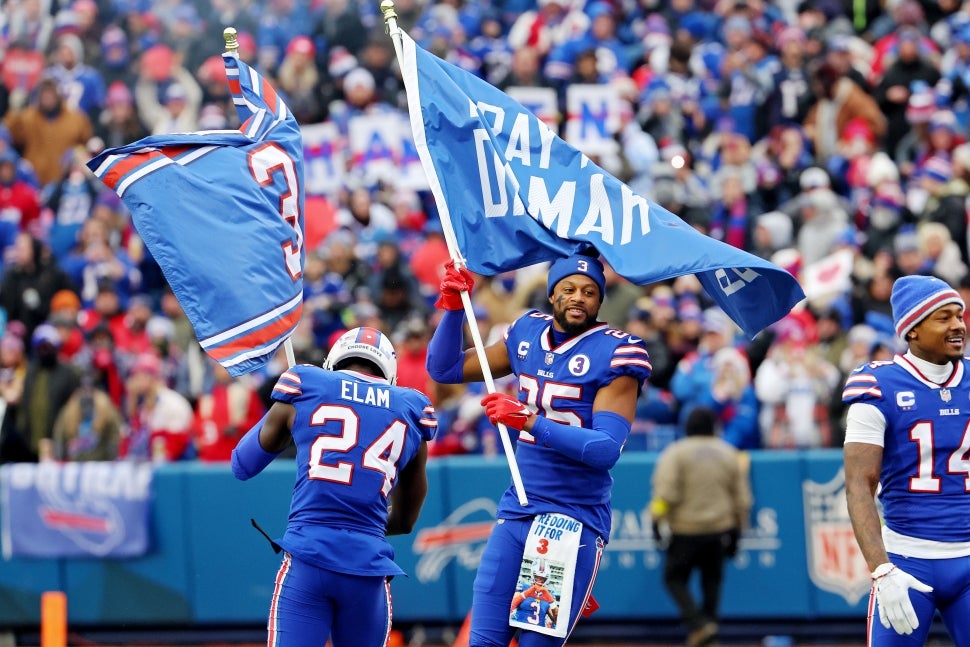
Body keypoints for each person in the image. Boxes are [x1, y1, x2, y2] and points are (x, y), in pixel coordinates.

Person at [426, 252, 651, 646]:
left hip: (571, 519)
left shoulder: (616, 351)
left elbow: (605, 449)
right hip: (519, 509)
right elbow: (444, 370)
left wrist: (529, 420)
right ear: (551, 294)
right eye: (568, 289)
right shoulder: (526, 333)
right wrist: (452, 309)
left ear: (600, 301)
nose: (578, 297)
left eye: (588, 291)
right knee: (484, 641)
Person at [230, 326, 437, 647]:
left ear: (334, 361)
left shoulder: (307, 386)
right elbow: (406, 521)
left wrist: (294, 422)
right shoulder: (411, 409)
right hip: (368, 569)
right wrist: (358, 528)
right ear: (389, 373)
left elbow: (242, 464)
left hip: (308, 559)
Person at [843, 274, 970, 644]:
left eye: (959, 315)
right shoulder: (878, 385)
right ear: (912, 329)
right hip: (907, 560)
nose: (958, 325)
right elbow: (859, 486)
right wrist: (881, 569)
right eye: (943, 317)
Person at [649, 406, 753, 647]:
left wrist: (656, 523)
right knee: (712, 583)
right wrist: (737, 532)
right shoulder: (729, 453)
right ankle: (709, 631)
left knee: (673, 578)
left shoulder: (675, 453)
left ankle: (699, 626)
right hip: (719, 530)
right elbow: (742, 499)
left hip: (685, 530)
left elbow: (665, 494)